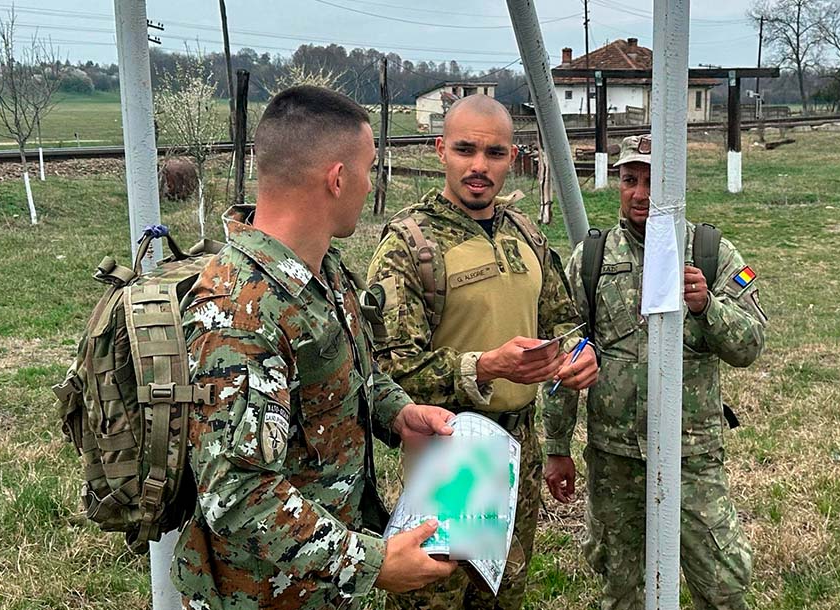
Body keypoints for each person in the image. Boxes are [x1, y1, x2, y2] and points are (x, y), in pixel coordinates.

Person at [172, 86, 459, 610]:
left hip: (321, 584)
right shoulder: (239, 311)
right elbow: (237, 495)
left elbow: (349, 377)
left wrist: (400, 414)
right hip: (261, 594)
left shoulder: (320, 269)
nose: (371, 185)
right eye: (369, 170)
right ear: (338, 178)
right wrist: (371, 565)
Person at [366, 94, 598, 610]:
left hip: (520, 450)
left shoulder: (526, 234)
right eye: (465, 149)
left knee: (504, 592)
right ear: (440, 150)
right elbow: (389, 368)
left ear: (512, 157)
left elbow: (562, 320)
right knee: (434, 596)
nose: (479, 166)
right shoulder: (410, 242)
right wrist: (485, 366)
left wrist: (580, 353)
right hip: (448, 454)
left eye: (494, 153)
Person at [542, 134, 768, 610]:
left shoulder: (710, 252)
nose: (641, 194)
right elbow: (565, 358)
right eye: (630, 180)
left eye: (653, 181)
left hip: (691, 454)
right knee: (621, 588)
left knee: (723, 584)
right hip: (615, 458)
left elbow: (750, 345)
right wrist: (557, 447)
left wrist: (707, 306)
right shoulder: (592, 259)